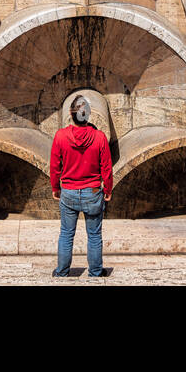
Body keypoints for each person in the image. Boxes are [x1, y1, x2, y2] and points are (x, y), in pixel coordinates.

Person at [49, 95, 113, 277]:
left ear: (71, 113)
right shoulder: (99, 137)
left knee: (66, 234)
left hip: (68, 192)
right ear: (89, 115)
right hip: (92, 192)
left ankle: (61, 272)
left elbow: (55, 166)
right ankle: (95, 272)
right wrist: (107, 189)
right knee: (94, 235)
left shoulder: (60, 136)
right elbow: (106, 167)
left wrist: (56, 188)